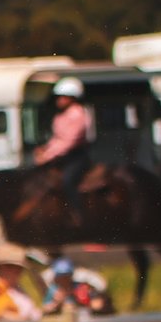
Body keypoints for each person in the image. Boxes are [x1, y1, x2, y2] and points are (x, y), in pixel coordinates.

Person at [36, 78, 97, 231]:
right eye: (59, 97)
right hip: (62, 156)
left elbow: (70, 141)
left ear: (72, 98)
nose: (59, 100)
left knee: (68, 181)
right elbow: (58, 139)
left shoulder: (78, 115)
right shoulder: (61, 116)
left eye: (63, 97)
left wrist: (48, 155)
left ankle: (79, 215)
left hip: (76, 156)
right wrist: (45, 149)